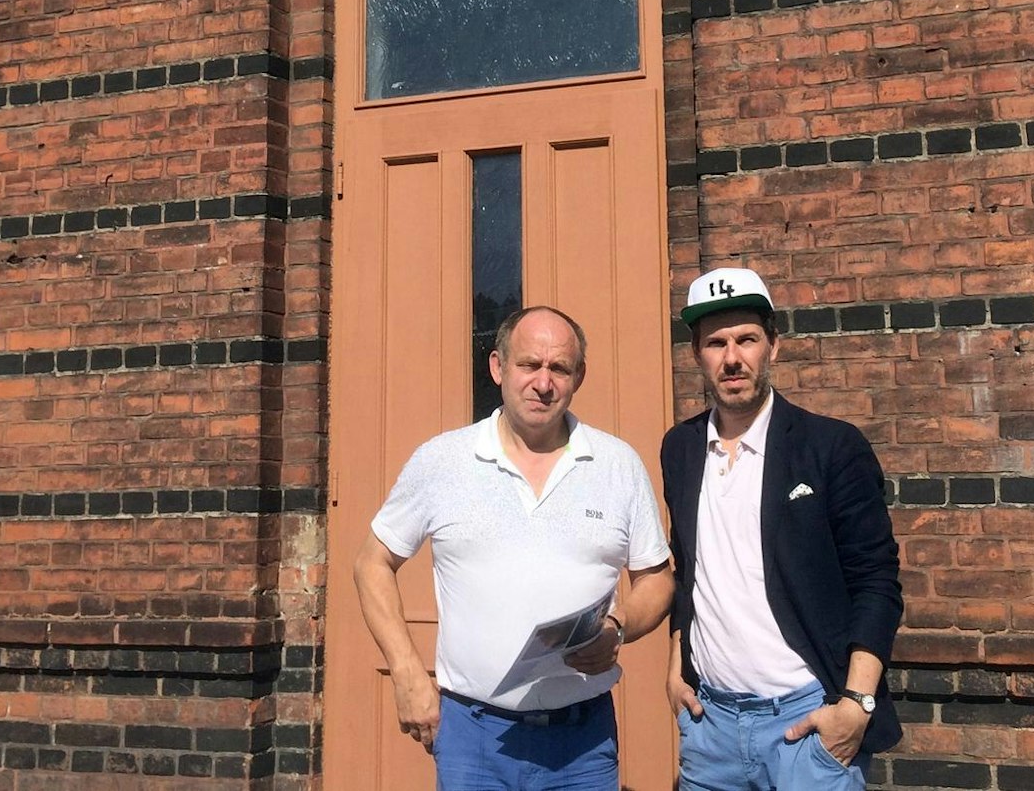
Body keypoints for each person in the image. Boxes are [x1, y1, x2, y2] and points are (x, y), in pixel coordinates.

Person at [355, 304, 675, 791]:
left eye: (559, 368)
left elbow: (656, 578)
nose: (543, 383)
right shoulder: (444, 461)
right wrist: (405, 672)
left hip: (582, 743)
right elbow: (372, 562)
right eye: (529, 365)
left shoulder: (616, 465)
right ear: (498, 367)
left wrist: (620, 626)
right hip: (474, 735)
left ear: (579, 376)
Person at [661, 267, 903, 790]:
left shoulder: (830, 447)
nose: (732, 358)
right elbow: (688, 569)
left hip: (808, 724)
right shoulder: (679, 449)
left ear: (774, 345)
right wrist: (676, 658)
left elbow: (876, 581)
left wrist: (857, 704)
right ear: (696, 353)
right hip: (711, 727)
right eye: (716, 343)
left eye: (747, 339)